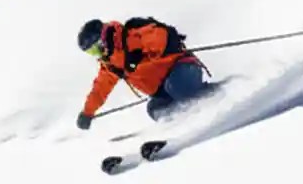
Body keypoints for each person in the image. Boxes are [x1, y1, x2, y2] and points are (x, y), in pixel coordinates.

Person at [75, 17, 210, 130]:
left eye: (95, 50)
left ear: (101, 40)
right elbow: (100, 89)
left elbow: (160, 36)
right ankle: (185, 125)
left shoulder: (129, 37)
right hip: (163, 88)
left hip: (183, 69)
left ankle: (210, 98)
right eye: (91, 53)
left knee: (176, 87)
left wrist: (140, 51)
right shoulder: (111, 64)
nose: (97, 55)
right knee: (155, 109)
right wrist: (87, 112)